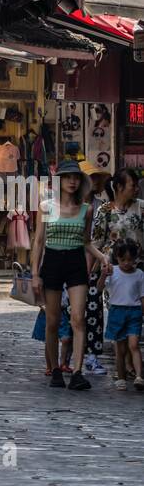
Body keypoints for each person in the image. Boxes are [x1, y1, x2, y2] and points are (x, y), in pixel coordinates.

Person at [30, 160, 111, 390]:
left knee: (78, 318)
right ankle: (55, 369)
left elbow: (86, 242)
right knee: (53, 321)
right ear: (60, 181)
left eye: (76, 177)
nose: (72, 181)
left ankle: (76, 371)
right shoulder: (46, 207)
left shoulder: (87, 210)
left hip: (76, 261)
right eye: (67, 177)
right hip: (53, 261)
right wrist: (35, 273)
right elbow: (38, 242)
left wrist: (102, 257)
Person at [98, 239, 144, 390]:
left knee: (134, 345)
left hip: (134, 312)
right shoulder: (113, 271)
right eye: (122, 259)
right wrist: (104, 275)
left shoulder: (139, 275)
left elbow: (142, 296)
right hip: (117, 311)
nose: (126, 263)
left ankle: (139, 376)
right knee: (120, 349)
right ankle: (121, 376)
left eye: (130, 260)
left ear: (135, 259)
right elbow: (99, 288)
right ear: (117, 258)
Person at [81, 161, 112, 375]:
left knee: (93, 312)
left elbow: (99, 239)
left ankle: (92, 356)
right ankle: (66, 357)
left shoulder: (102, 206)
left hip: (92, 266)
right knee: (70, 315)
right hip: (68, 264)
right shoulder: (59, 205)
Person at [32, 290, 73, 375]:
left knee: (66, 339)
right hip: (48, 311)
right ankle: (49, 367)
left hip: (63, 312)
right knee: (49, 341)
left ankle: (63, 364)